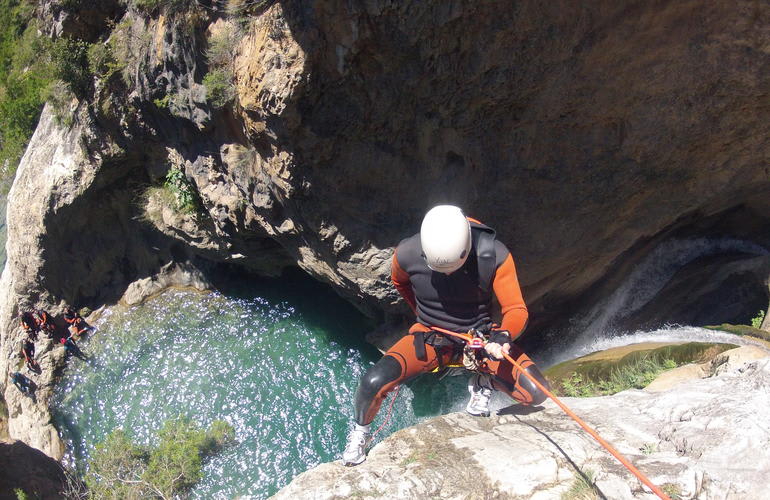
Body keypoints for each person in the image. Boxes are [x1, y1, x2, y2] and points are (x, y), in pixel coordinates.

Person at [342, 205, 550, 466]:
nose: (447, 274)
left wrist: (503, 336)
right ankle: (361, 433)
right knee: (372, 382)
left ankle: (482, 383)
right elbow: (400, 282)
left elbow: (516, 309)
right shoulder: (406, 253)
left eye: (451, 268)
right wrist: (424, 316)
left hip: (480, 339)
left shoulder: (493, 254)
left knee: (535, 393)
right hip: (432, 337)